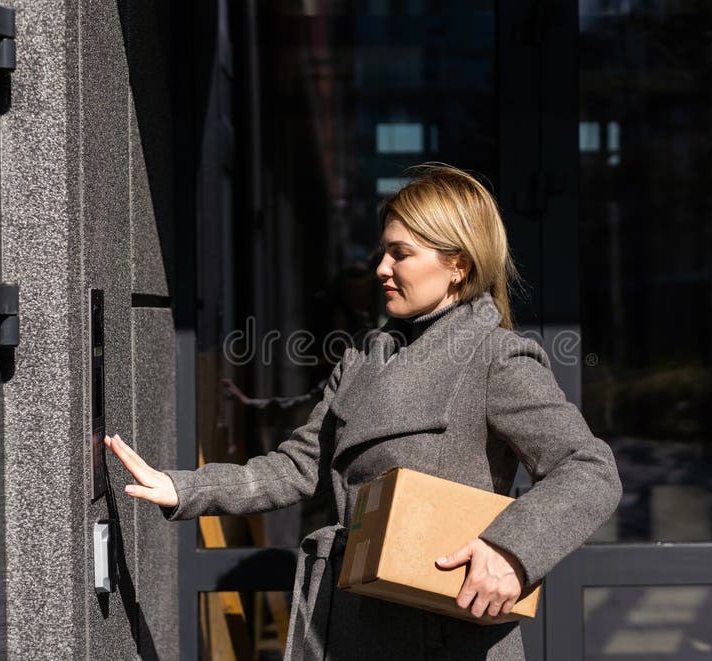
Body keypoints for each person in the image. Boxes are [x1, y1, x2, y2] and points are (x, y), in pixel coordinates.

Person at [106, 163, 622, 660]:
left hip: (445, 634)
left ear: (458, 264)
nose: (381, 269)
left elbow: (588, 469)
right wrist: (186, 488)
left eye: (400, 253)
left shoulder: (495, 357)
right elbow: (300, 466)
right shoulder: (362, 354)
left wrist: (511, 551)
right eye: (383, 252)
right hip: (348, 624)